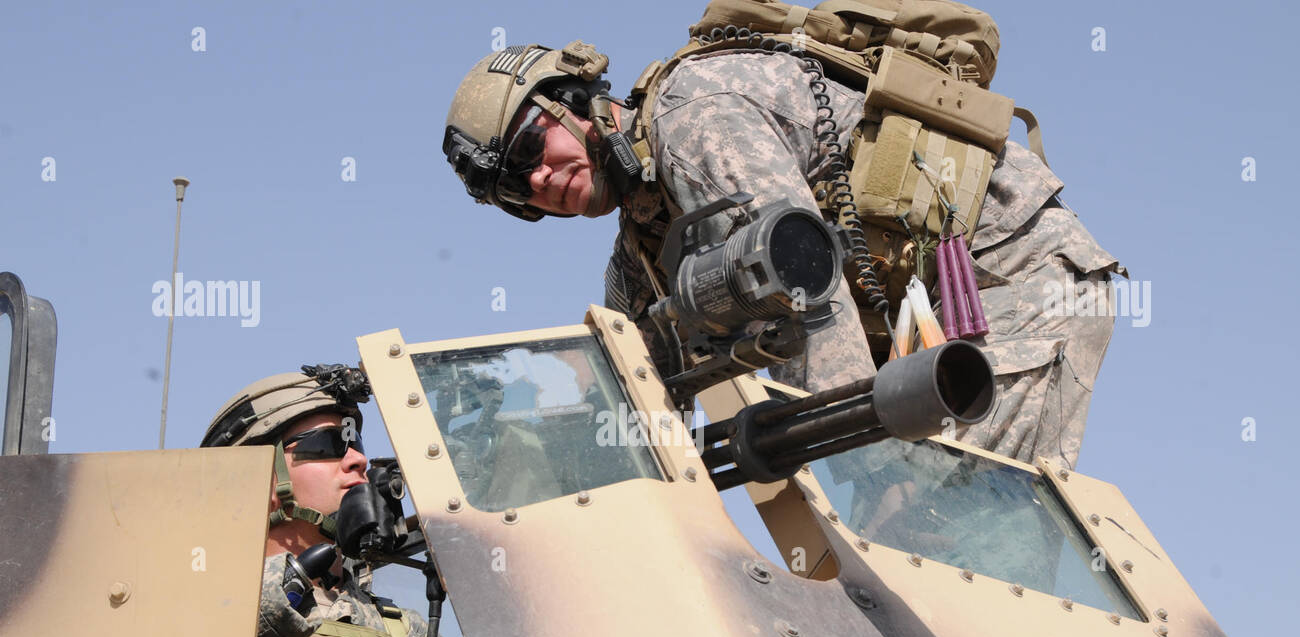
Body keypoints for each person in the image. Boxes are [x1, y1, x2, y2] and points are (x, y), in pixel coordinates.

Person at [444, 37, 1125, 470]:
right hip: (932, 315)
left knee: (944, 515)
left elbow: (806, 285)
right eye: (513, 186)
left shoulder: (691, 122)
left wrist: (865, 472)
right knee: (905, 512)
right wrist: (510, 443)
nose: (536, 180)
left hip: (1020, 272)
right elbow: (624, 380)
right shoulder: (641, 252)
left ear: (573, 102)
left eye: (532, 147)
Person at [200, 366, 472, 637]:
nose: (358, 459)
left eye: (354, 441)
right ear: (259, 478)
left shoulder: (409, 636)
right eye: (329, 445)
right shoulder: (197, 614)